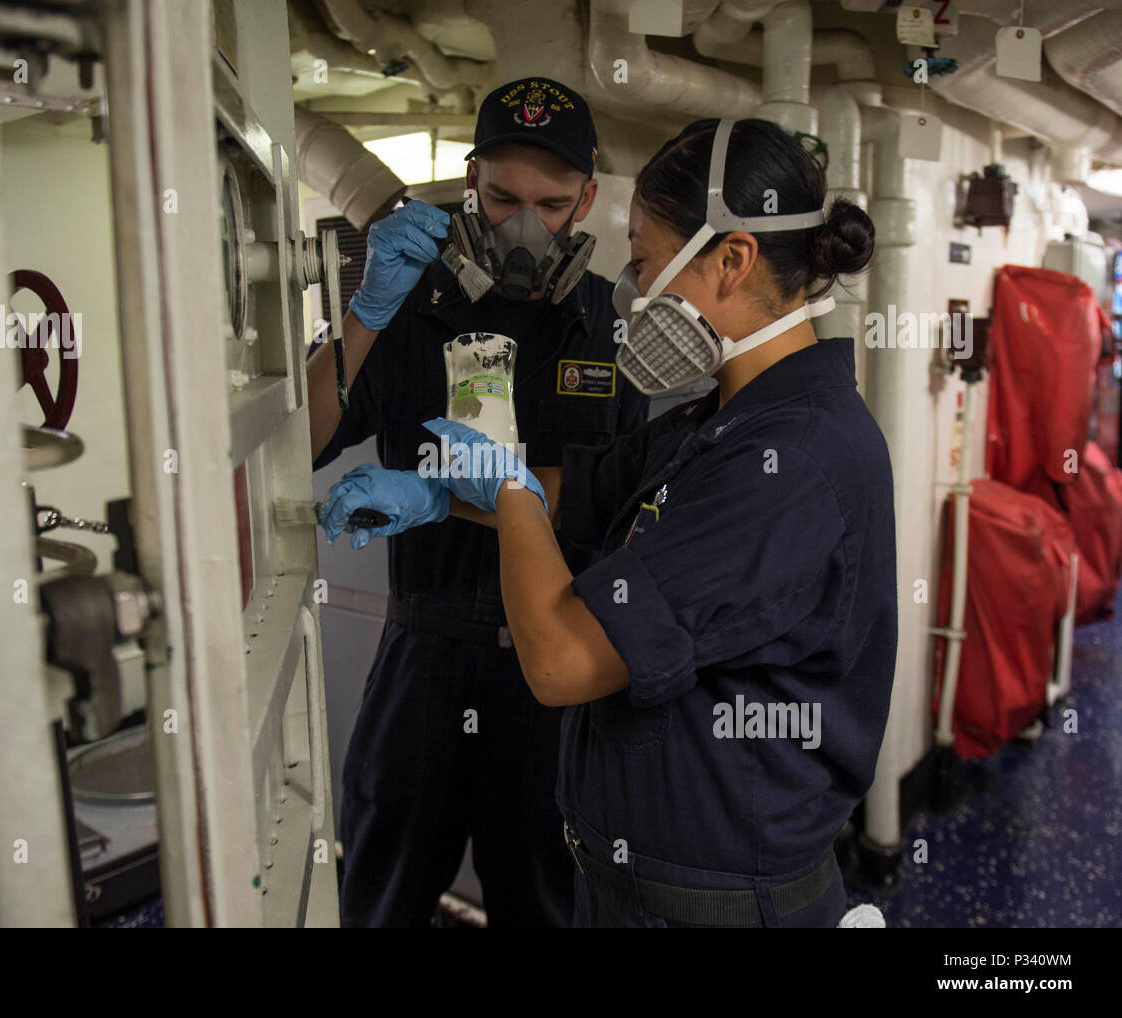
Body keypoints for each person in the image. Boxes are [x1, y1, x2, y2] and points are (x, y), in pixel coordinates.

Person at [322, 117, 897, 927]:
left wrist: (510, 489)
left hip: (718, 902)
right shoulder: (725, 417)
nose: (634, 286)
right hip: (640, 884)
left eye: (646, 256)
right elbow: (587, 488)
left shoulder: (791, 461)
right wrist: (441, 493)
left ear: (731, 260)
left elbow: (558, 661)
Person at [307, 76, 649, 927]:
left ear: (589, 201)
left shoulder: (617, 326)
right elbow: (303, 439)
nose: (524, 225)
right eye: (500, 198)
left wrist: (441, 494)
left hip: (552, 665)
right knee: (380, 897)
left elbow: (624, 499)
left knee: (545, 901)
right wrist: (366, 310)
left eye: (551, 202)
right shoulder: (412, 306)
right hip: (424, 649)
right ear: (469, 183)